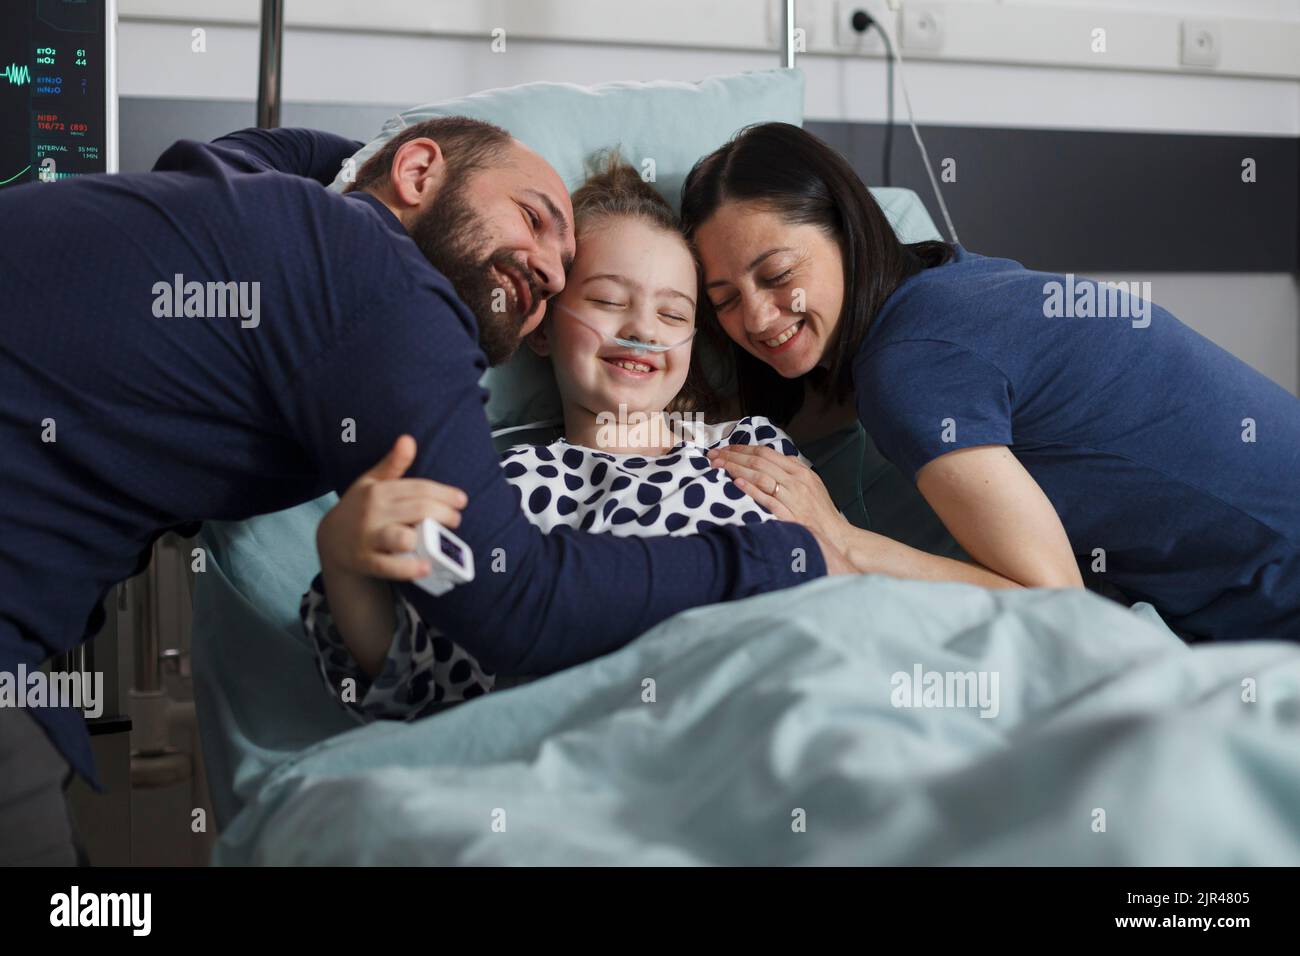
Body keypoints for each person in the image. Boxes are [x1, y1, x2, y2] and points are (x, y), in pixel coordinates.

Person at [0, 120, 847, 865]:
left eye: (672, 312)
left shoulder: (751, 457)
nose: (543, 266)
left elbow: (281, 151)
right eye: (535, 221)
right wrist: (779, 558)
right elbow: (460, 650)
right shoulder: (472, 429)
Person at [681, 121, 1300, 642]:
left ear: (845, 230)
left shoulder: (906, 367)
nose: (757, 317)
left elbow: (1053, 599)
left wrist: (844, 540)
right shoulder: (945, 279)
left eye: (777, 273)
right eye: (725, 299)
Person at [305, 154, 819, 719]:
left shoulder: (757, 448)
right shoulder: (506, 488)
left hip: (803, 697)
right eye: (606, 301)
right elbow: (432, 685)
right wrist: (344, 566)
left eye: (673, 315)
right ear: (544, 328)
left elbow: (847, 587)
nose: (643, 329)